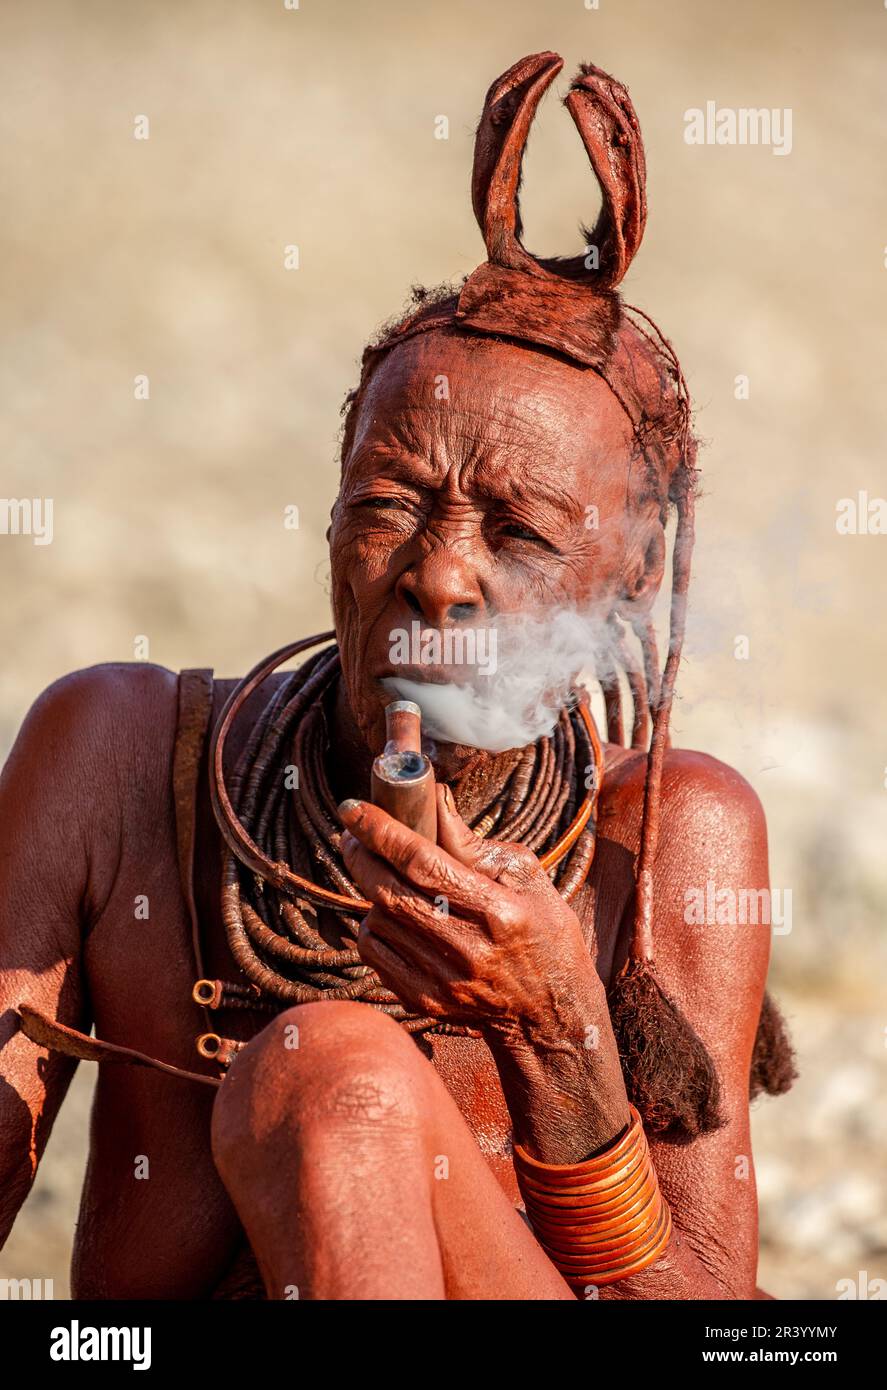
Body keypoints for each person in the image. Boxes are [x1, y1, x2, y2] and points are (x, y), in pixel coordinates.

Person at [0, 52, 794, 1301]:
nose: (439, 578)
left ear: (634, 578)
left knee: (334, 1075)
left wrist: (553, 1028)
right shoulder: (113, 759)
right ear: (326, 519)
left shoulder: (667, 843)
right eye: (389, 503)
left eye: (518, 534)